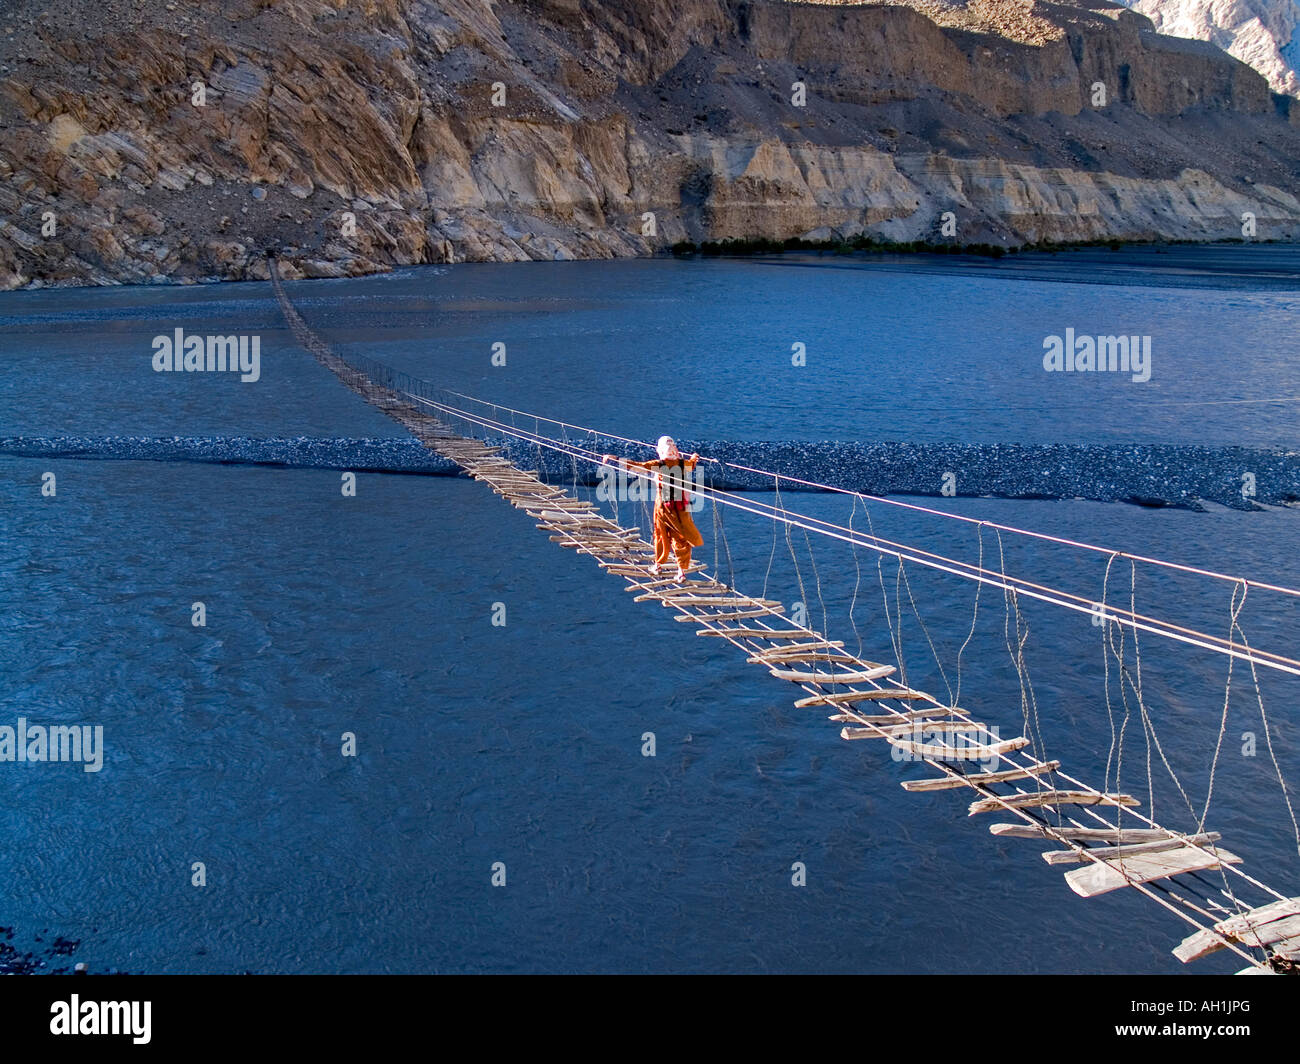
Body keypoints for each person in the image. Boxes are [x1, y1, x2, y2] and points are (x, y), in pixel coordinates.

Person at [602, 436, 704, 581]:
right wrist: (694, 457)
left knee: (660, 534)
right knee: (680, 538)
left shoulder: (659, 464)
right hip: (680, 507)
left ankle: (658, 565)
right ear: (675, 449)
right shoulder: (683, 463)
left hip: (663, 505)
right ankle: (681, 572)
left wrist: (614, 458)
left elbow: (636, 466)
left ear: (660, 450)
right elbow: (692, 464)